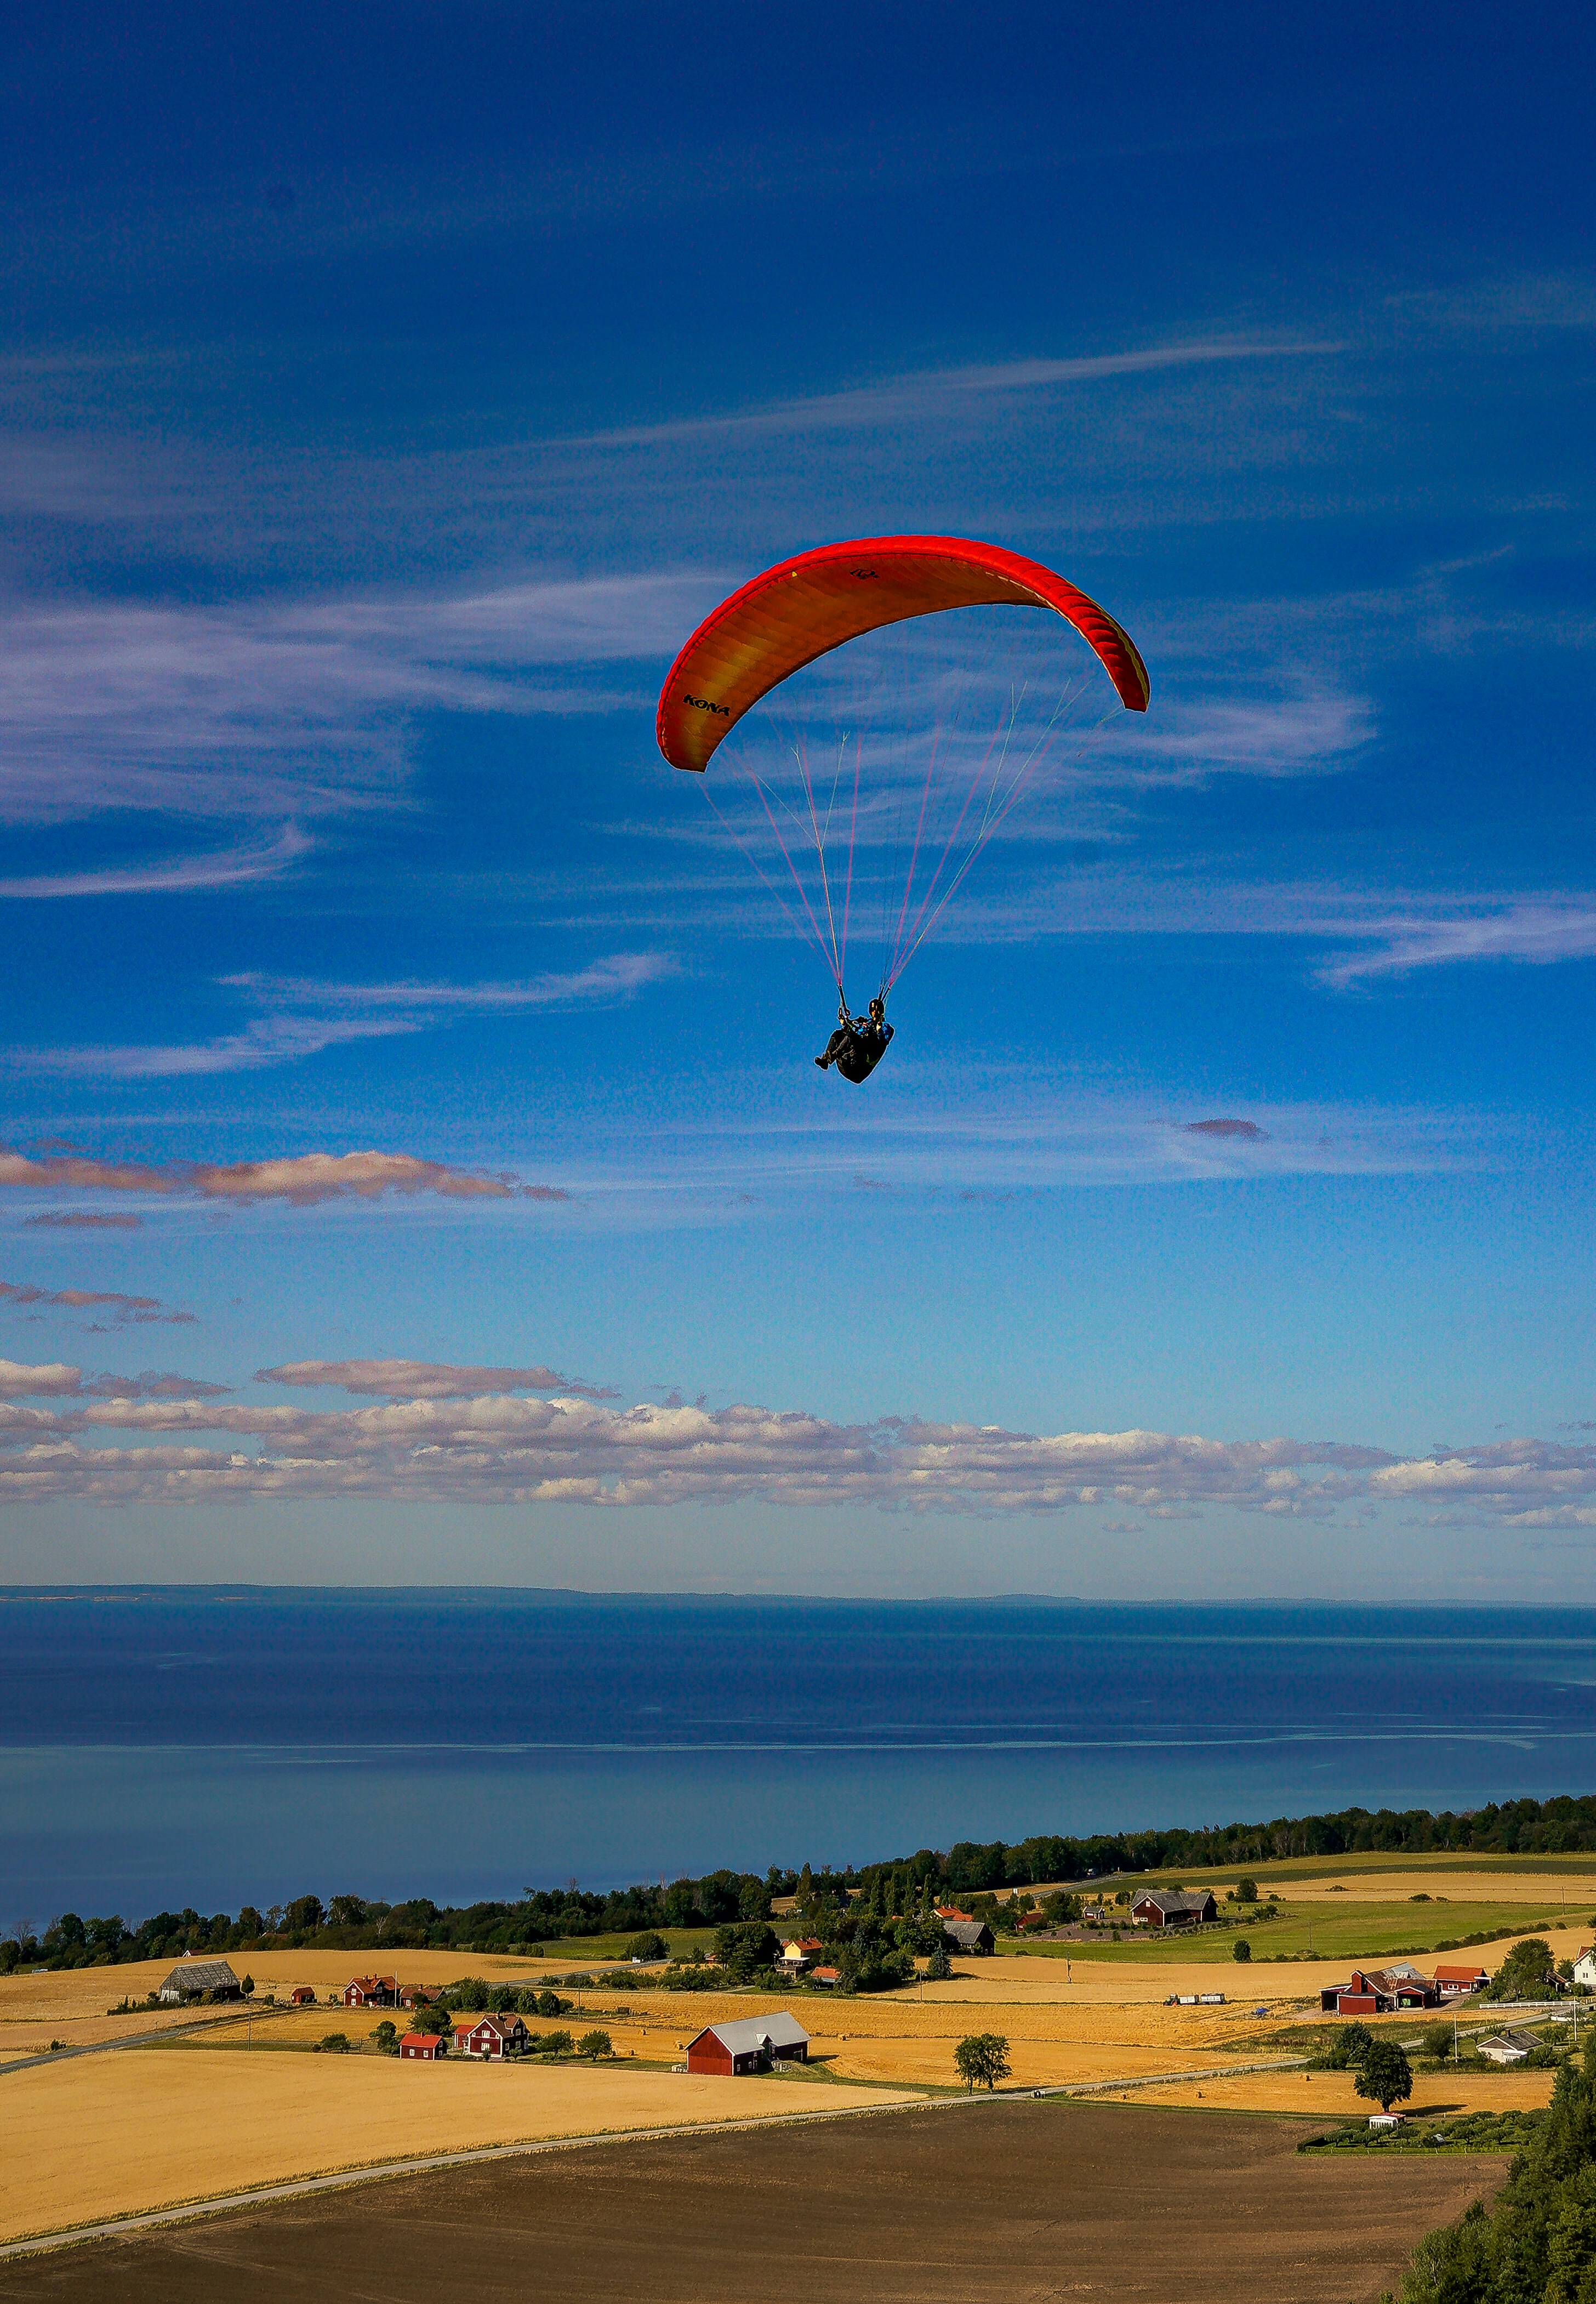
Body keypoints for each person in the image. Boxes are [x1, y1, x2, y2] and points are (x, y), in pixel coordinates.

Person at [816, 994, 893, 1084]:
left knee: (855, 1034)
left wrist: (879, 1031)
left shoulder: (886, 1027)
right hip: (847, 1064)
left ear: (881, 1011)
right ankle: (825, 1061)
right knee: (838, 1034)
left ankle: (833, 1056)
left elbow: (883, 1042)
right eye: (872, 1010)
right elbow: (854, 1031)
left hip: (860, 1068)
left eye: (877, 1010)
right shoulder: (866, 1022)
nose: (874, 1013)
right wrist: (845, 1024)